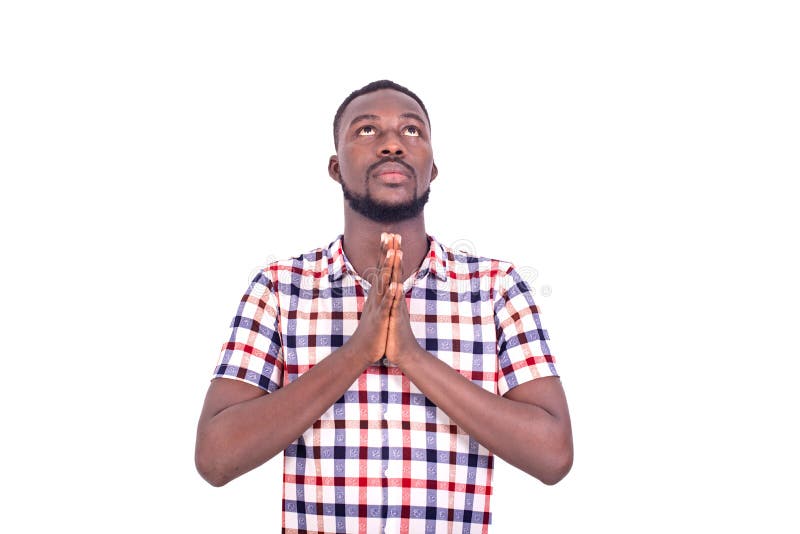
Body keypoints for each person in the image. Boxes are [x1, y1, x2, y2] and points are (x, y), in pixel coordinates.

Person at [195, 80, 573, 533]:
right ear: (335, 168)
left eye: (412, 131)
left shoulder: (495, 288)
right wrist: (356, 352)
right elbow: (215, 458)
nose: (392, 144)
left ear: (432, 169)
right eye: (368, 131)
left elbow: (553, 456)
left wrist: (411, 356)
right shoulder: (279, 288)